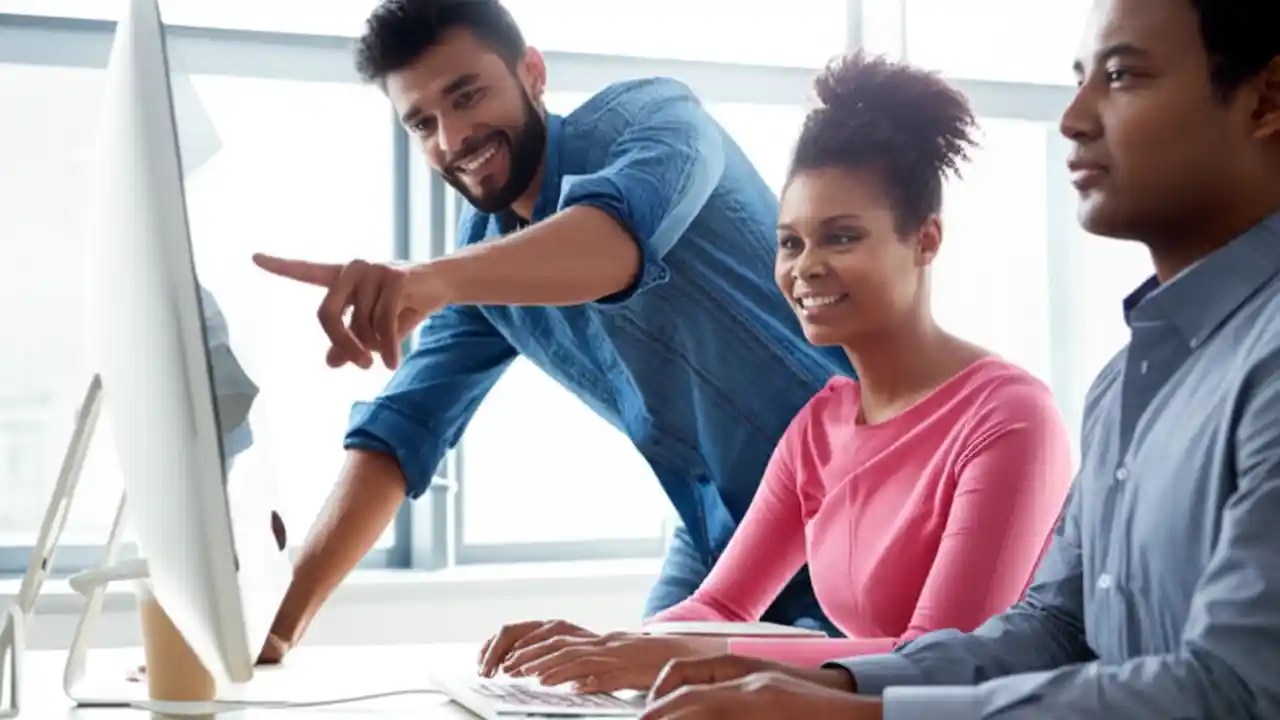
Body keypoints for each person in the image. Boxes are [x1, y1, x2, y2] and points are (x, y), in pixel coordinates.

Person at [636, 0, 1280, 718]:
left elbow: (1237, 688)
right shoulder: (1123, 386)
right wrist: (832, 684)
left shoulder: (1255, 364)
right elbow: (1055, 629)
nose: (1071, 119)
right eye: (791, 241)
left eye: (1123, 75)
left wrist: (857, 710)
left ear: (1265, 100)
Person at [249, 0, 855, 659]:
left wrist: (431, 279)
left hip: (863, 507)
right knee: (617, 693)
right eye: (423, 123)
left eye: (467, 95)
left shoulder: (656, 119)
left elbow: (612, 245)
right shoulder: (479, 260)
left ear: (531, 72)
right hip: (719, 539)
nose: (453, 140)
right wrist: (273, 626)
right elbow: (401, 433)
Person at [470, 52, 1076, 692]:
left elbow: (945, 662)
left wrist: (704, 660)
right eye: (790, 242)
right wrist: (603, 649)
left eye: (841, 238)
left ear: (925, 240)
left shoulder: (1009, 418)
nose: (805, 267)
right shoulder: (821, 425)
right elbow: (718, 609)